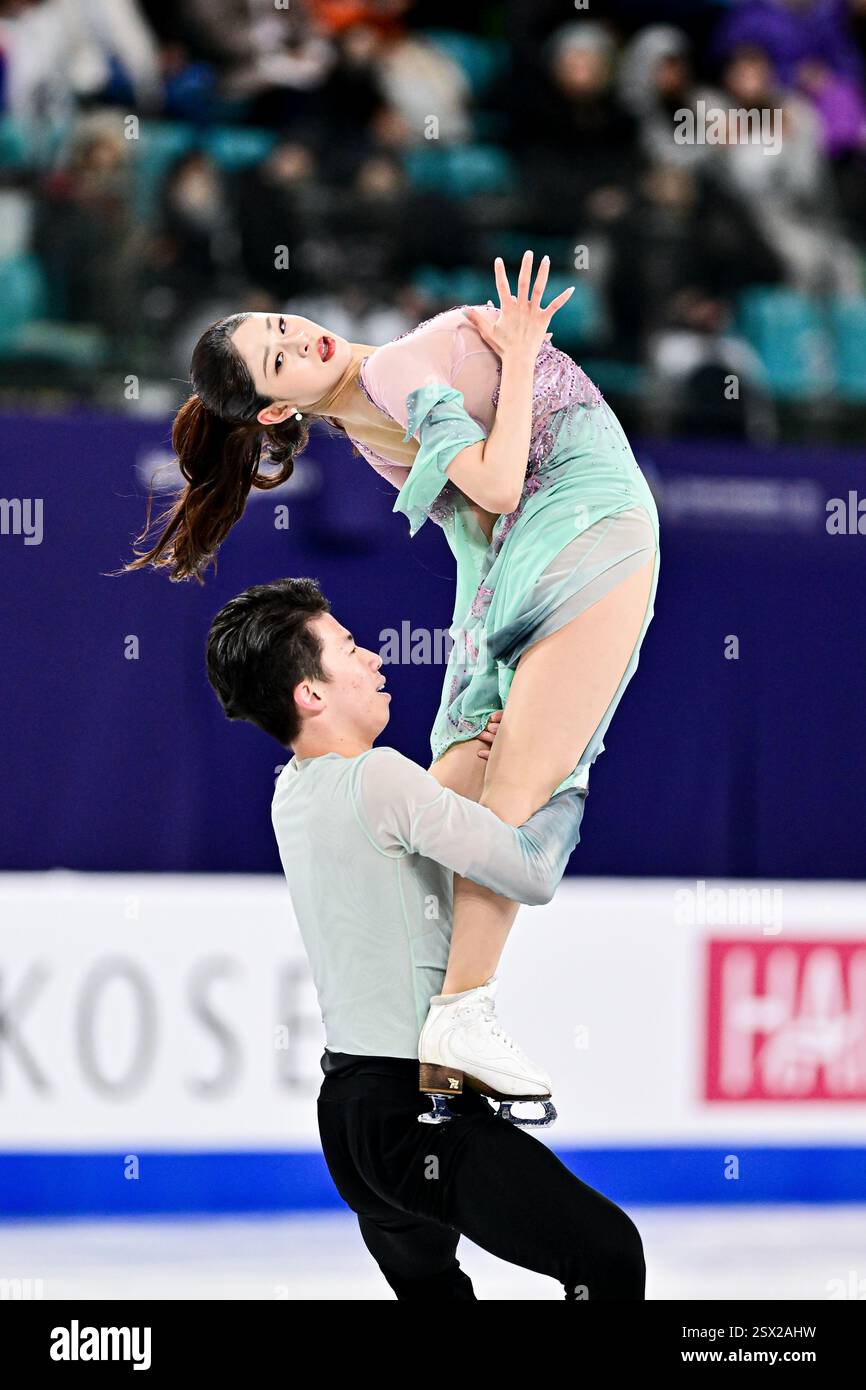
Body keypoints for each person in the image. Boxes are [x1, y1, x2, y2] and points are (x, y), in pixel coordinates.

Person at [126, 251, 660, 1114]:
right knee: (515, 791)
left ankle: (405, 1031)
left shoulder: (375, 410)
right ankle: (459, 1013)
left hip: (525, 547)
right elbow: (493, 485)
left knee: (465, 782)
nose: (301, 336)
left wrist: (482, 651)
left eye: (282, 325)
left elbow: (489, 513)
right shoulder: (398, 370)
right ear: (276, 406)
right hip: (595, 520)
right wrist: (523, 355)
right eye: (280, 355)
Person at [204, 575, 646, 1301]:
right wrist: (569, 775)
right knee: (608, 1255)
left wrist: (478, 751)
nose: (374, 658)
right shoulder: (377, 779)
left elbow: (408, 824)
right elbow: (528, 873)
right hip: (419, 1117)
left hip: (351, 1120)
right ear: (310, 694)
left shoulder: (296, 790)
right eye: (348, 649)